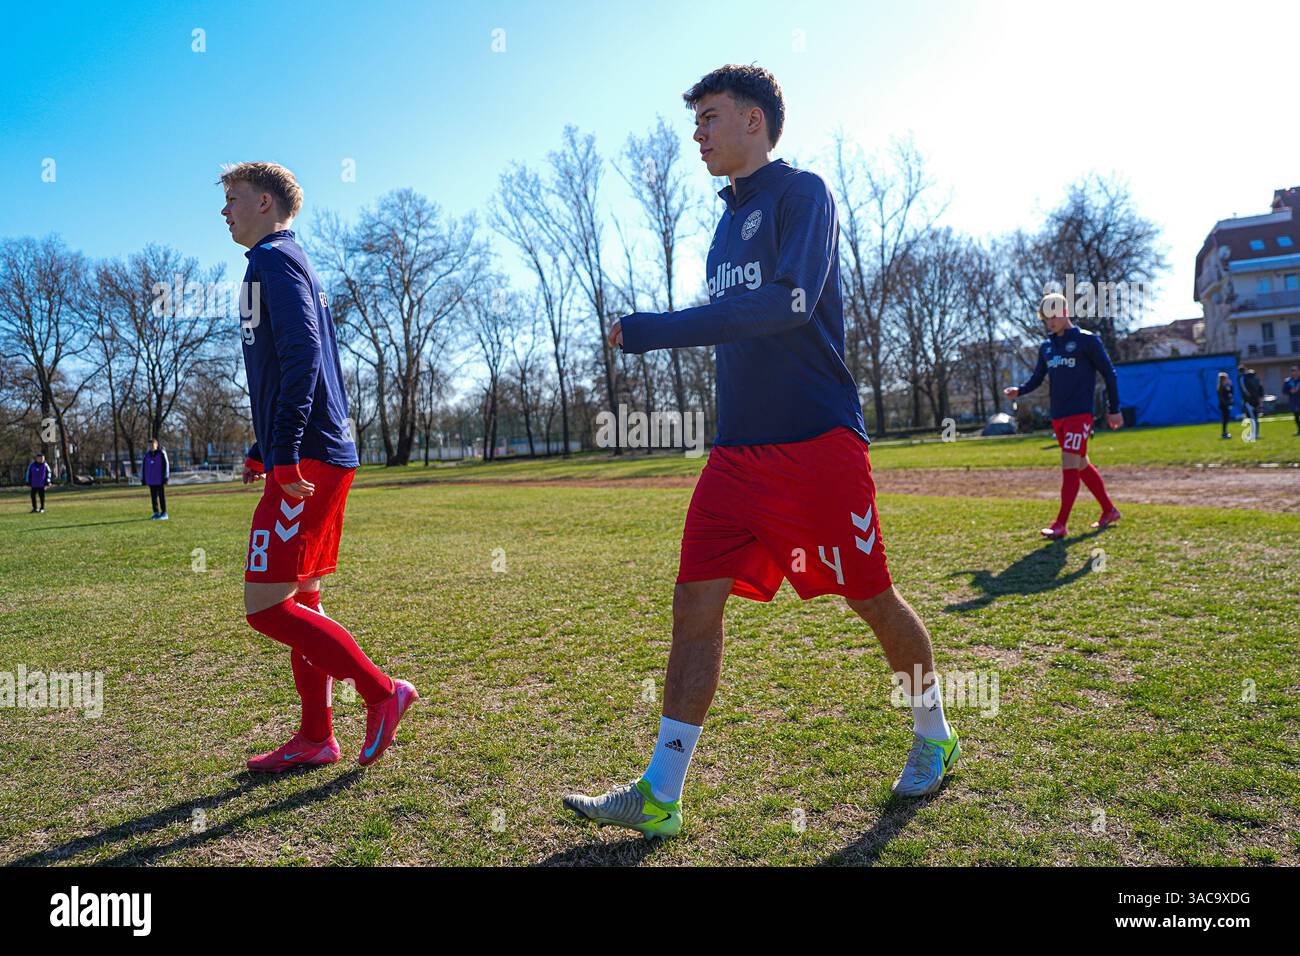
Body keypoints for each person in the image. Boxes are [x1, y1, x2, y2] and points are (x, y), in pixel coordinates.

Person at [562, 65, 958, 841]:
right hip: (735, 458)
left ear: (754, 120)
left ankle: (934, 732)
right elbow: (737, 322)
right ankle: (660, 792)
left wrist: (655, 329)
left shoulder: (803, 192)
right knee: (693, 607)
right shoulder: (722, 221)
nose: (697, 134)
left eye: (709, 117)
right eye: (695, 122)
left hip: (816, 445)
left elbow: (788, 304)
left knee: (871, 598)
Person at [220, 161, 418, 772]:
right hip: (317, 449)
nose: (224, 211)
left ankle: (382, 692)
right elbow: (294, 365)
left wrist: (281, 452)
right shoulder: (290, 261)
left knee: (267, 607)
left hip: (306, 457)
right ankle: (315, 736)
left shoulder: (273, 261)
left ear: (265, 202)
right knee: (301, 599)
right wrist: (264, 446)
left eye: (233, 199)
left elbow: (304, 355)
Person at [1004, 293, 1123, 538]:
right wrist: (1020, 391)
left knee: (1069, 464)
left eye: (1054, 316)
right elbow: (1038, 378)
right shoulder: (1047, 347)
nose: (1050, 322)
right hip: (1058, 415)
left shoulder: (1087, 341)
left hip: (1080, 415)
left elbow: (1109, 374)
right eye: (1046, 319)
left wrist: (1114, 409)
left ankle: (1060, 523)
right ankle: (1109, 510)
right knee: (1081, 464)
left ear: (1065, 311)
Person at [142, 438, 170, 519]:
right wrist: (143, 478)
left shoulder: (161, 454)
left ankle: (164, 513)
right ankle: (156, 512)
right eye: (149, 445)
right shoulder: (147, 455)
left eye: (152, 444)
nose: (151, 446)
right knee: (153, 498)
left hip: (160, 480)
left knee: (161, 497)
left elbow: (166, 465)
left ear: (156, 445)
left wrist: (166, 477)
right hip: (151, 480)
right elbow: (144, 467)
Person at [1239, 365, 1263, 441]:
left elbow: (1246, 391)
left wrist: (1249, 400)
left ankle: (1255, 434)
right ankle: (1255, 434)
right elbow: (1260, 389)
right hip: (1255, 400)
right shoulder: (1254, 379)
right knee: (1254, 418)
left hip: (1250, 401)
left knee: (1252, 418)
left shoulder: (1243, 379)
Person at [1282, 364, 1300, 436]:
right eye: (1292, 371)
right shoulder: (1288, 381)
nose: (1294, 372)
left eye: (1296, 371)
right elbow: (1284, 391)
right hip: (1294, 401)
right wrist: (1290, 391)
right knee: (1296, 417)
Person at [1217, 371, 1234, 440]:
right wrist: (1227, 404)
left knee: (1226, 419)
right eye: (1226, 378)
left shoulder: (1225, 386)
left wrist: (1231, 385)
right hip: (1224, 405)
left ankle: (1225, 432)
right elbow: (1222, 397)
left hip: (1226, 404)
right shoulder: (1221, 386)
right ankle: (1224, 433)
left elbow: (1231, 393)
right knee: (1225, 419)